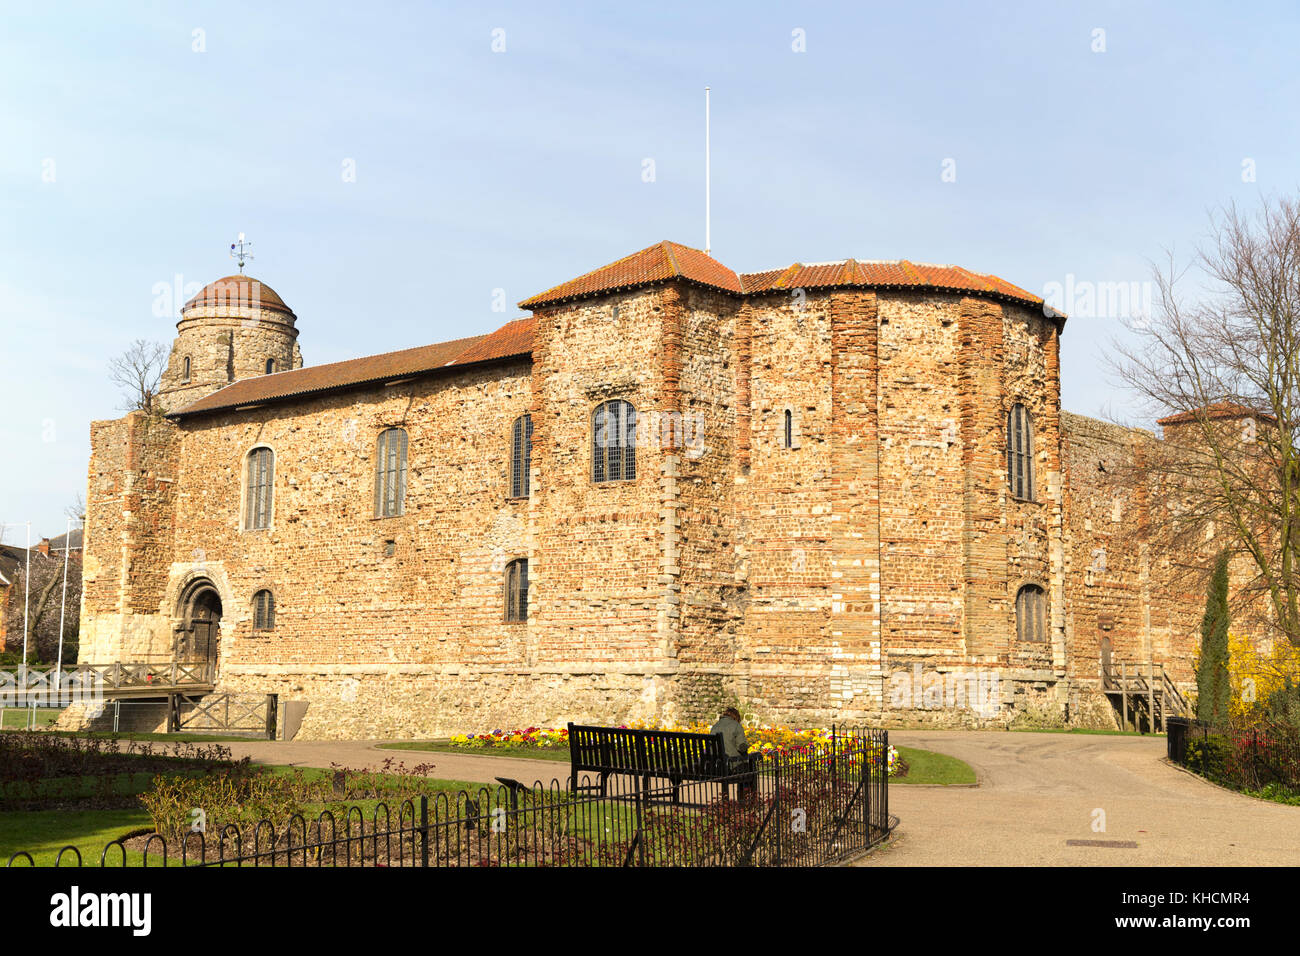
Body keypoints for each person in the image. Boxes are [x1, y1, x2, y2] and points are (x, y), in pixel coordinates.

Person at [710, 707, 757, 798]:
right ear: (736, 717)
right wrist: (746, 746)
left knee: (743, 768)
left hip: (716, 766)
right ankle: (744, 799)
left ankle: (730, 798)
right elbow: (741, 748)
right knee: (749, 769)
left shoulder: (715, 726)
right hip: (731, 767)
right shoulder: (736, 726)